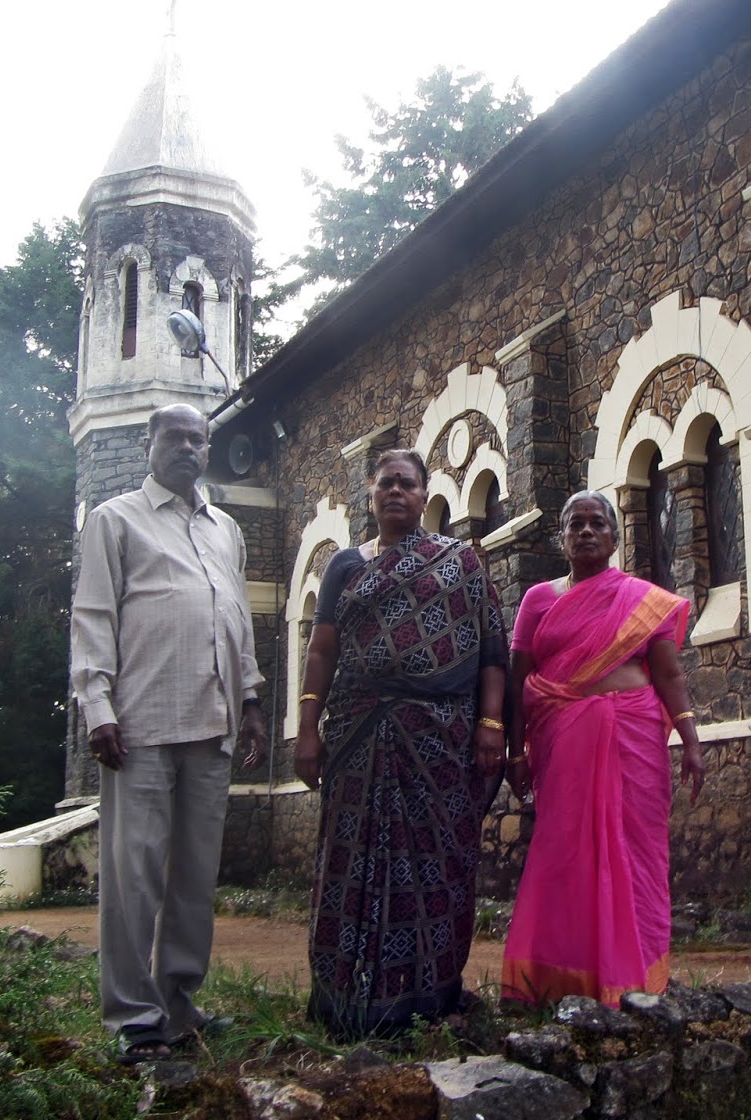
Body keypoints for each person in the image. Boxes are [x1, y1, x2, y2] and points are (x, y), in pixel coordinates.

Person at [70, 403, 269, 1063]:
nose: (188, 447)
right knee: (134, 873)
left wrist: (251, 699)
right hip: (141, 723)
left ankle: (178, 1003)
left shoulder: (225, 529)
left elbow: (236, 618)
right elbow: (93, 616)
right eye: (175, 437)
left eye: (198, 439)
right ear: (149, 445)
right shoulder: (115, 520)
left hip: (214, 721)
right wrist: (97, 706)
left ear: (208, 449)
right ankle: (133, 1017)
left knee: (194, 875)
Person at [294, 448, 508, 1039]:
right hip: (358, 734)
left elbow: (492, 651)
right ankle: (345, 997)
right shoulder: (344, 567)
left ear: (423, 494)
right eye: (386, 483)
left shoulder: (459, 562)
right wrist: (307, 728)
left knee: (438, 860)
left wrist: (492, 726)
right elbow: (321, 652)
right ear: (370, 493)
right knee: (349, 858)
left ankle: (431, 992)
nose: (395, 492)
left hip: (439, 740)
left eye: (406, 484)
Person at [501, 489, 705, 1007]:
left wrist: (691, 739)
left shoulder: (642, 601)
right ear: (561, 538)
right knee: (563, 852)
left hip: (633, 739)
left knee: (637, 854)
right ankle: (560, 981)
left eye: (598, 523)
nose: (587, 531)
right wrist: (515, 754)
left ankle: (635, 978)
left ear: (615, 538)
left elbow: (669, 675)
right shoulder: (538, 601)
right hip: (562, 740)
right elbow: (517, 682)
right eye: (576, 524)